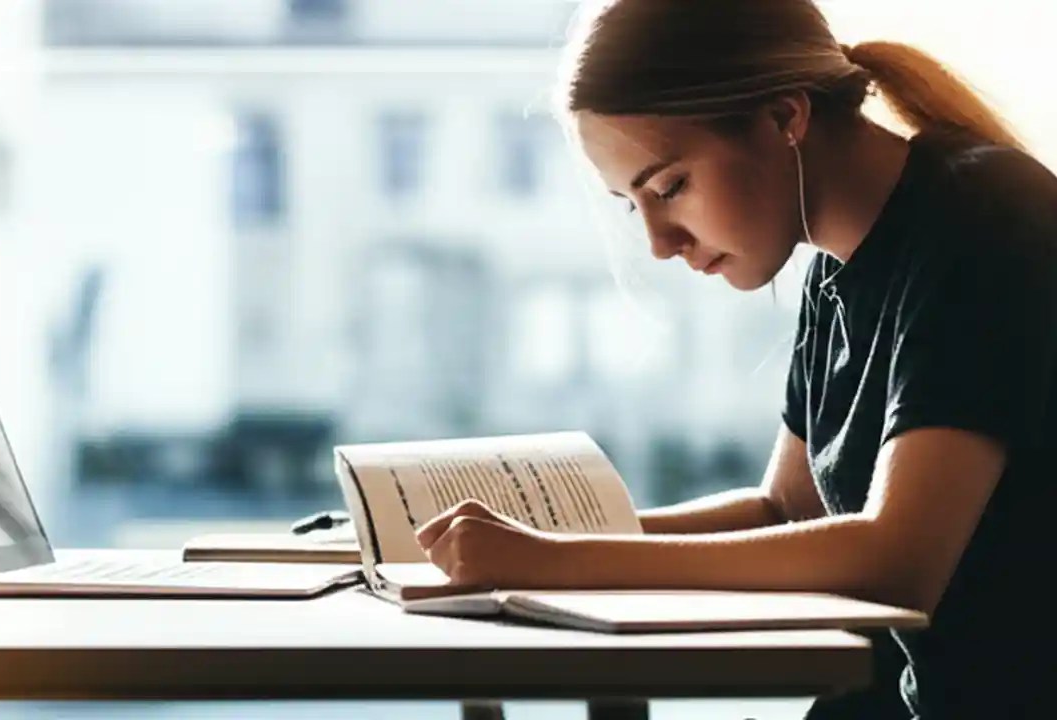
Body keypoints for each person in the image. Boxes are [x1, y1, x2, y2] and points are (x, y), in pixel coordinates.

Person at [413, 1, 1057, 717]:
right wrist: (532, 539)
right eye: (634, 205)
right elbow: (783, 510)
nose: (659, 242)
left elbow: (898, 562)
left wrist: (554, 562)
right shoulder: (838, 268)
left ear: (786, 119)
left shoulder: (986, 219)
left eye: (669, 187)